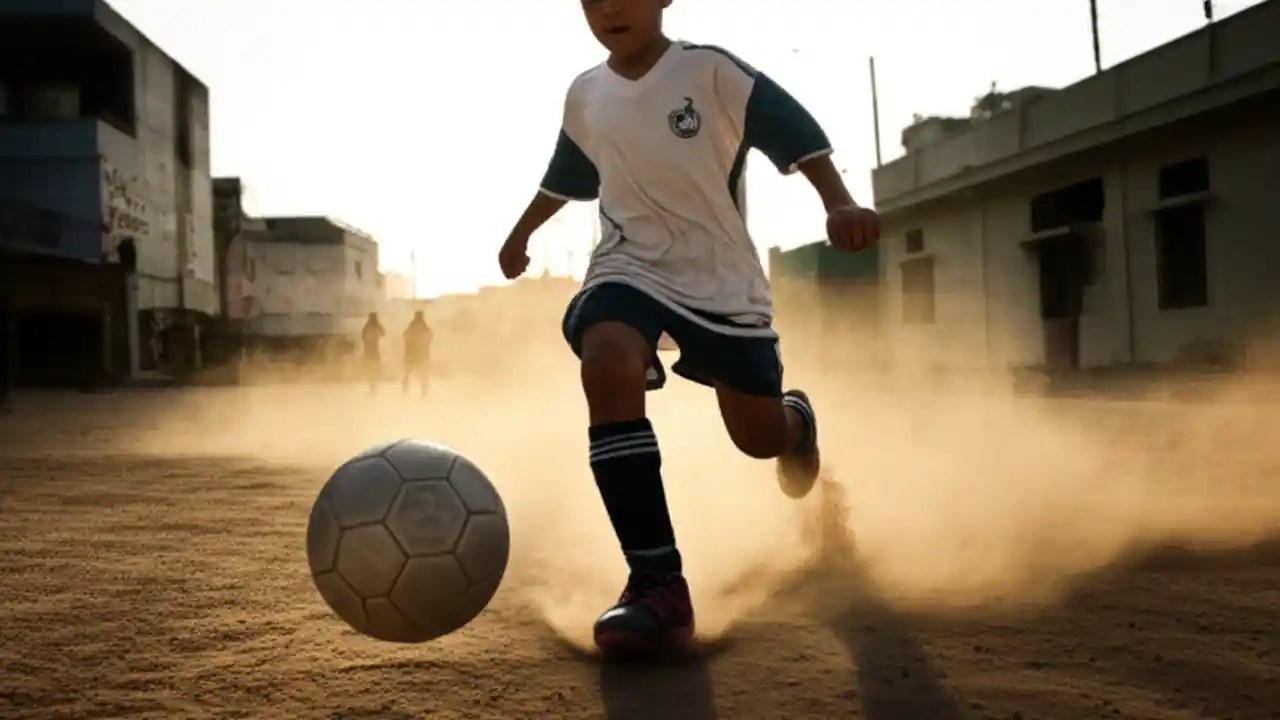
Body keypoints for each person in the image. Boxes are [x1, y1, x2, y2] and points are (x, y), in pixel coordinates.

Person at [497, 0, 880, 655]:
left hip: (720, 280)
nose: (611, 6)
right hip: (628, 267)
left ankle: (796, 424)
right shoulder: (586, 95)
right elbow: (566, 175)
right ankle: (657, 582)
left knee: (756, 438)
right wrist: (523, 230)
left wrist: (839, 201)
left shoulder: (710, 73)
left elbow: (796, 133)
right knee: (607, 361)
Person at [401, 310, 433, 397]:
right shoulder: (422, 326)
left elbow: (405, 336)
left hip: (415, 353)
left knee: (410, 371)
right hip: (418, 353)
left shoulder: (415, 326)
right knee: (419, 372)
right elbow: (430, 337)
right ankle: (422, 388)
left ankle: (410, 385)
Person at [360, 312, 385, 394]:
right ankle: (372, 385)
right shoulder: (371, 326)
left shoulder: (368, 326)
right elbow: (383, 333)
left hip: (370, 351)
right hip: (372, 351)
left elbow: (383, 333)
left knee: (372, 369)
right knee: (373, 369)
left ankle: (372, 385)